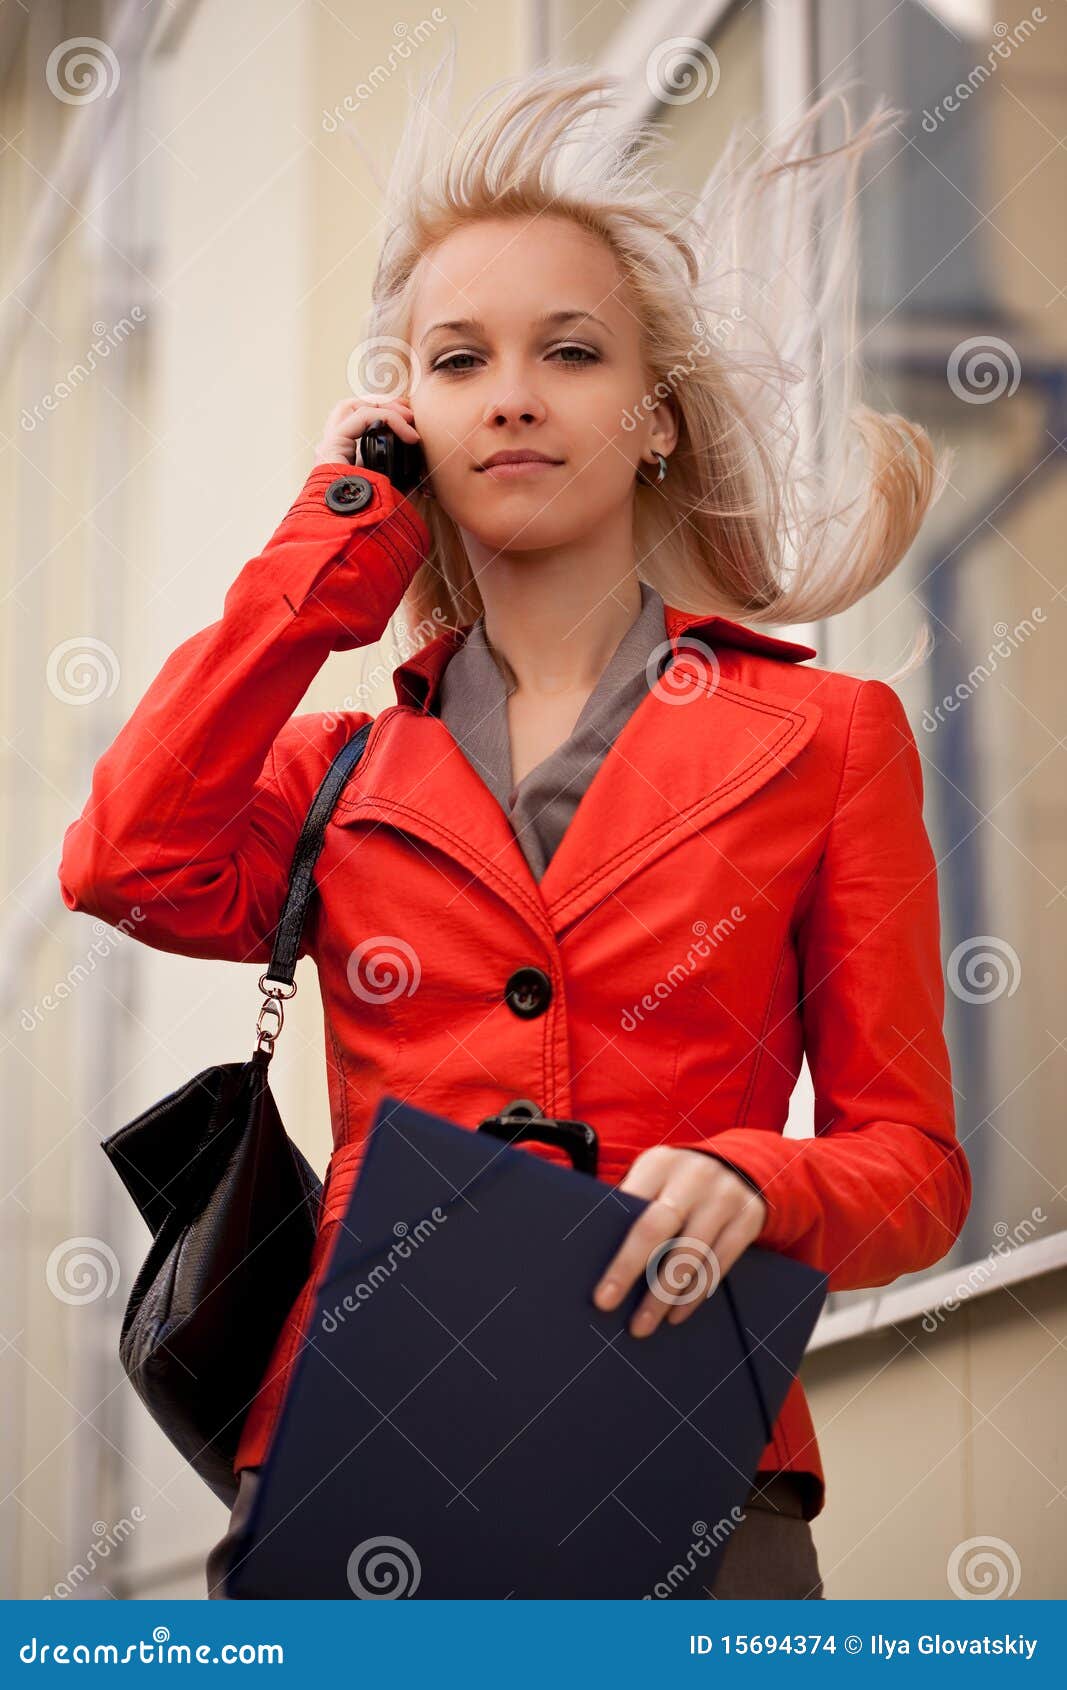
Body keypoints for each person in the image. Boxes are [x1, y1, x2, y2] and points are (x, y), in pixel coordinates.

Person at [58, 58, 972, 1600]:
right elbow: (121, 858)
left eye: (572, 350)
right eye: (458, 360)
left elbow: (917, 1168)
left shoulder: (827, 739)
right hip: (364, 1460)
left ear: (655, 416)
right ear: (403, 416)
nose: (517, 393)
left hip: (696, 1453)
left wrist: (764, 1180)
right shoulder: (337, 770)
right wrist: (341, 534)